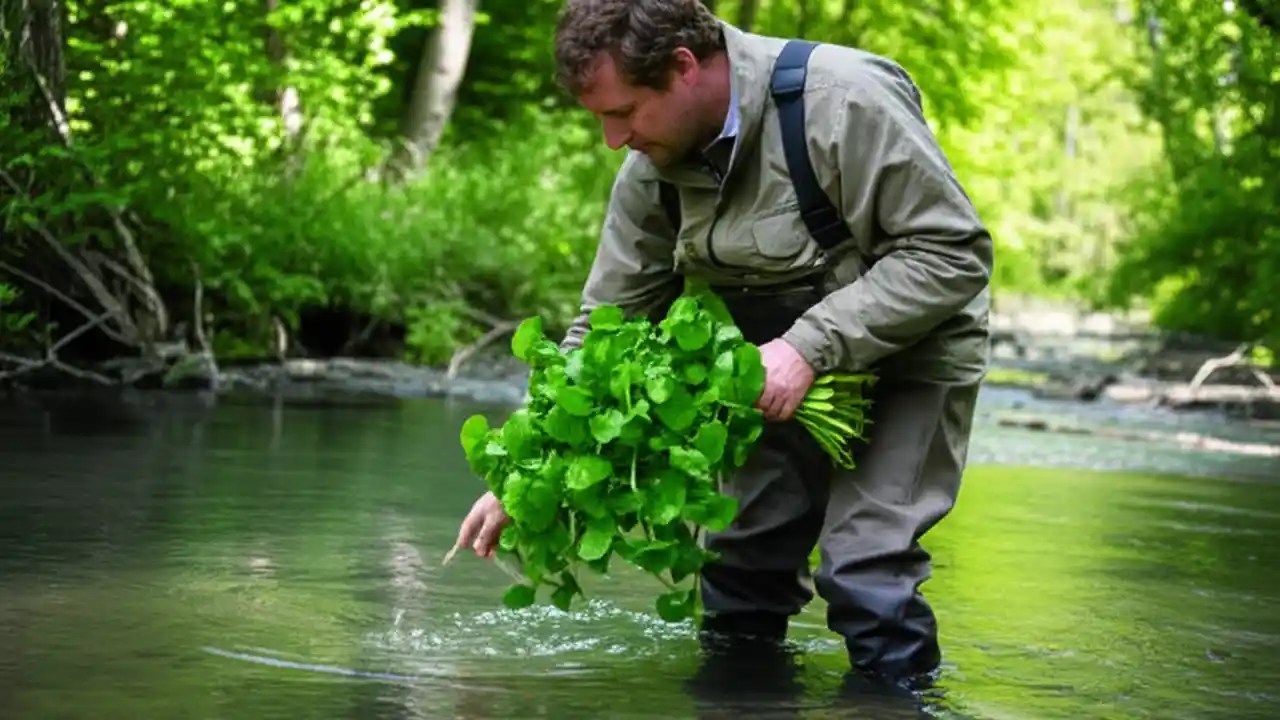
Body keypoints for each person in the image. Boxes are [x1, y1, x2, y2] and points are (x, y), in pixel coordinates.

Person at [455, 0, 992, 685]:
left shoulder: (842, 100)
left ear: (683, 67)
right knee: (739, 570)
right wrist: (527, 466)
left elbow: (953, 253)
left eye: (623, 113)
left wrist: (810, 344)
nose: (612, 140)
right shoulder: (651, 172)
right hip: (766, 373)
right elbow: (606, 325)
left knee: (865, 569)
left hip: (910, 351)